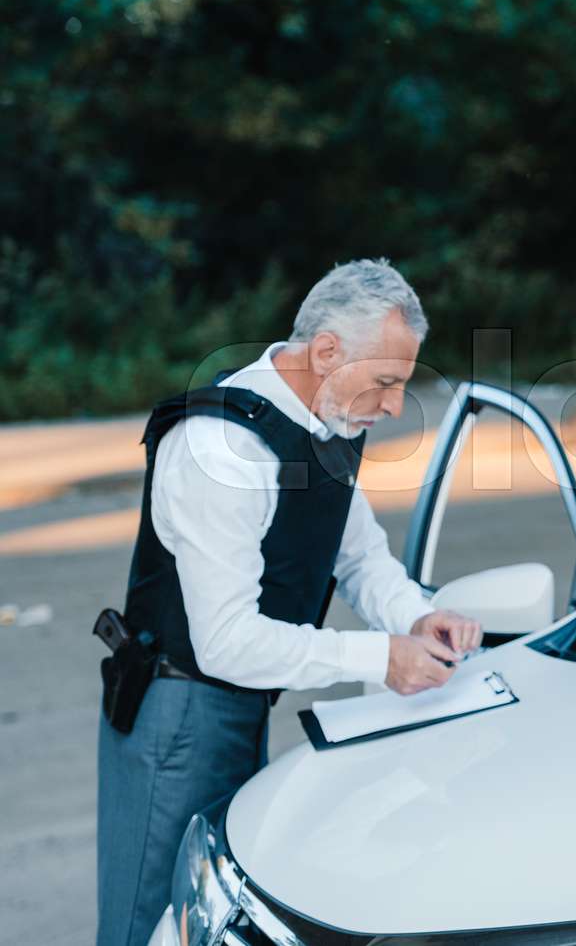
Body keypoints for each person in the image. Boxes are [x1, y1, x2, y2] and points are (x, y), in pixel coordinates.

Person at [96, 258, 483, 946]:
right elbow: (226, 641)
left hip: (242, 704)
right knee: (148, 924)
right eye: (387, 382)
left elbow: (359, 556)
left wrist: (416, 617)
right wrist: (381, 656)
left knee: (216, 919)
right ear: (328, 352)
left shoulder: (327, 422)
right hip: (176, 715)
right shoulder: (224, 446)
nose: (395, 406)